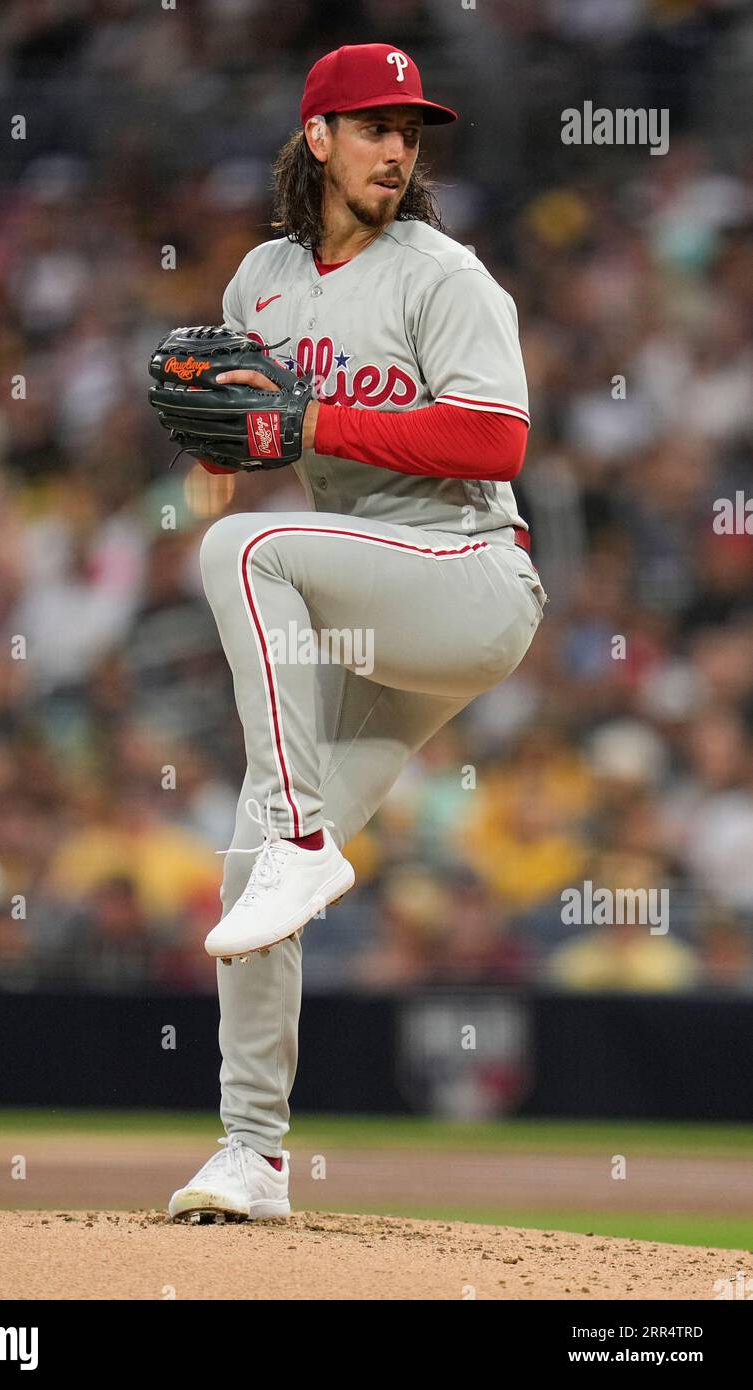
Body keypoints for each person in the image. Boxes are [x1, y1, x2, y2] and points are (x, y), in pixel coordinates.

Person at [168, 42, 547, 1223]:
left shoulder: (446, 277)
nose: (398, 148)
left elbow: (495, 443)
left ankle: (302, 834)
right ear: (317, 139)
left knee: (247, 555)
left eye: (411, 130)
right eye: (374, 126)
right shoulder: (260, 285)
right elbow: (240, 441)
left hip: (470, 580)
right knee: (248, 872)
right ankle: (252, 1155)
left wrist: (306, 424)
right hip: (363, 610)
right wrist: (214, 455)